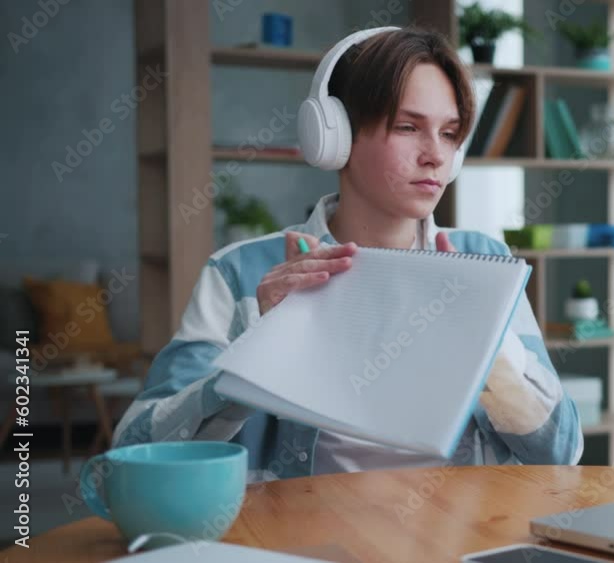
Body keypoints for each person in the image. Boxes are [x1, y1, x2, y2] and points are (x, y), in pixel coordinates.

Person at [111, 26, 583, 480]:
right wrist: (256, 355)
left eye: (448, 133)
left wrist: (494, 351)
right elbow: (132, 453)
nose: (435, 155)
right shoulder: (240, 273)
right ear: (334, 136)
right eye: (407, 127)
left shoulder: (486, 262)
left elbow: (562, 452)